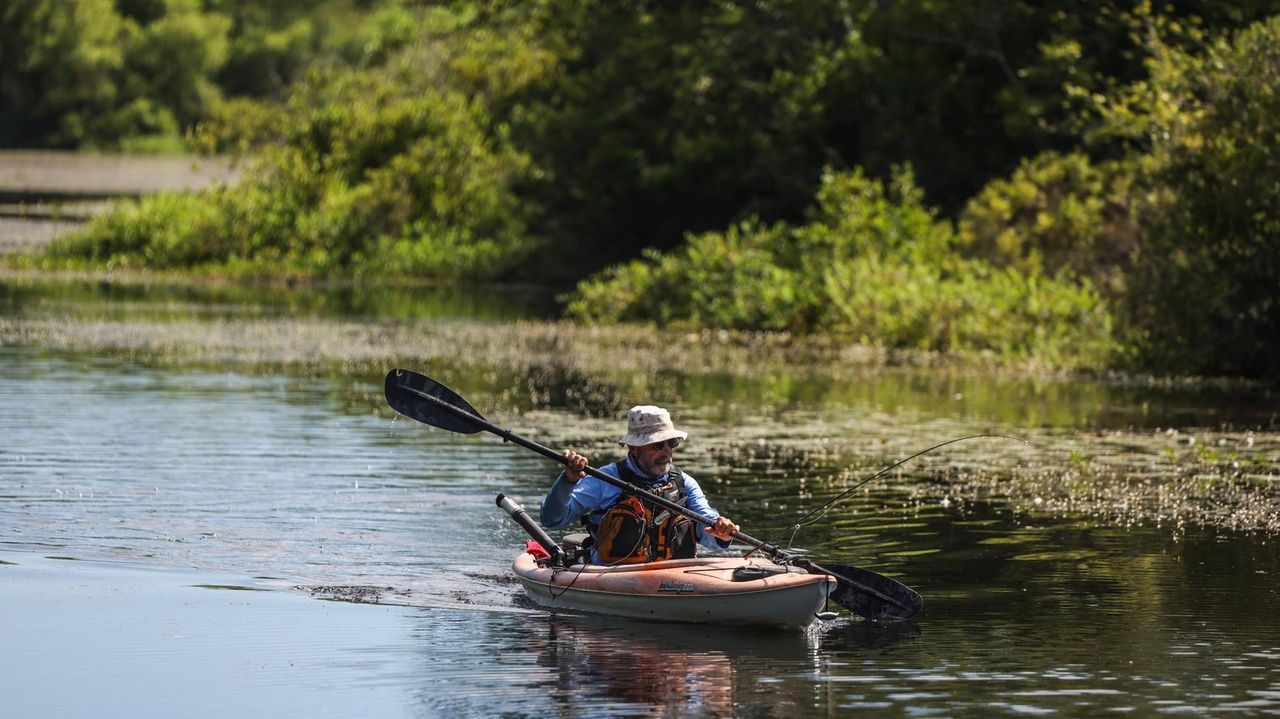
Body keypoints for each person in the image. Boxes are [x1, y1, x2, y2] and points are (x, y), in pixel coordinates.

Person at [540, 404, 739, 565]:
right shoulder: (605, 480)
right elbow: (552, 519)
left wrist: (720, 530)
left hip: (672, 576)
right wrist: (568, 481)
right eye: (658, 445)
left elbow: (706, 522)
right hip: (614, 576)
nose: (667, 451)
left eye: (672, 443)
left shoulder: (684, 483)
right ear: (634, 448)